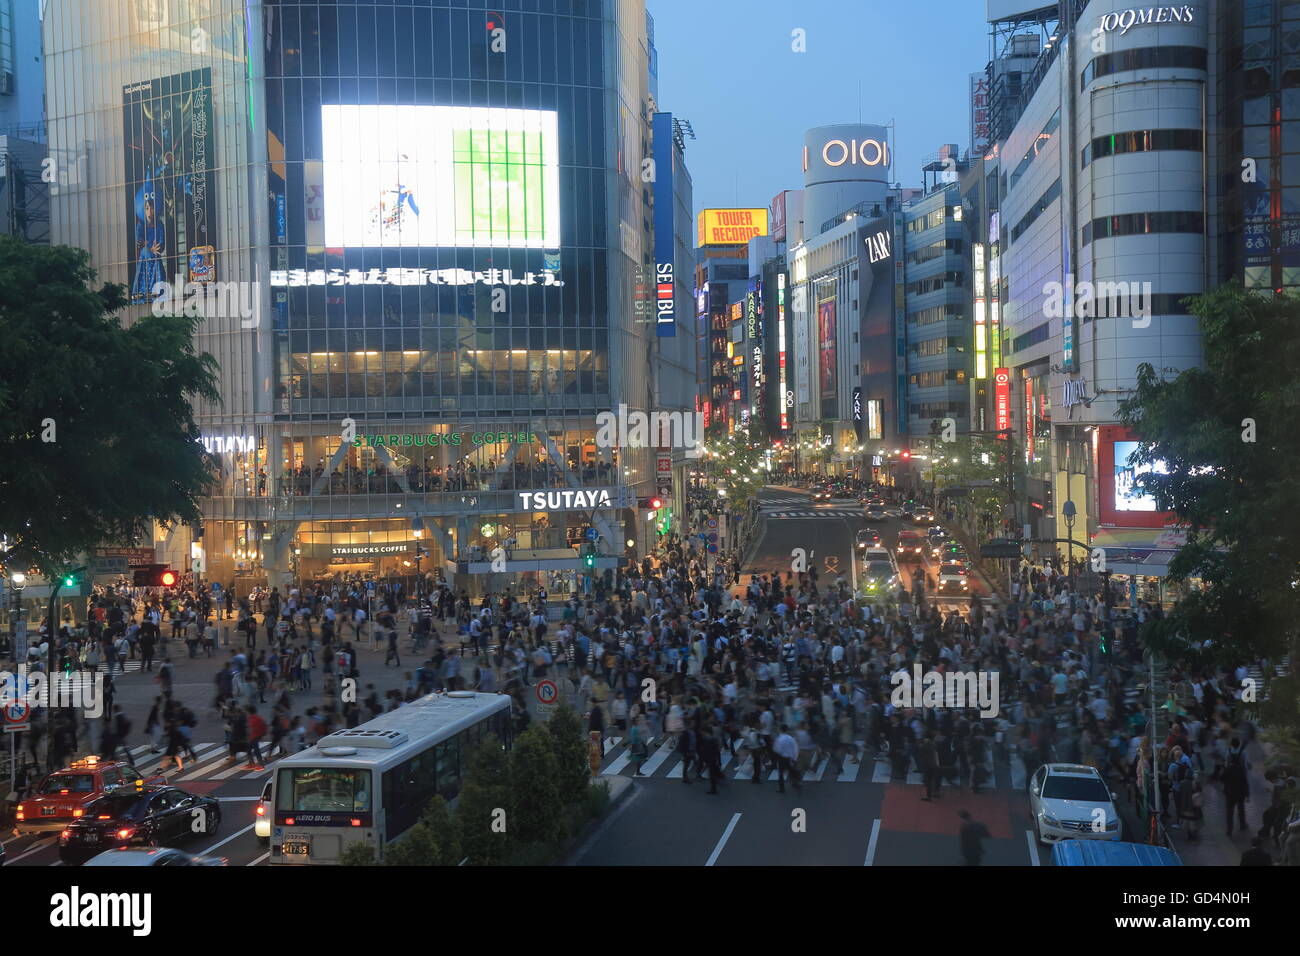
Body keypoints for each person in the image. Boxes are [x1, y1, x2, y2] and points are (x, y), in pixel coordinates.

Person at [1222, 738, 1250, 835]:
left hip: (1229, 787)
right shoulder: (1243, 753)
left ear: (1232, 744)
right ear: (1239, 744)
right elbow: (1245, 766)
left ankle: (1229, 829)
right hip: (1240, 786)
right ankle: (1242, 824)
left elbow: (1226, 764)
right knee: (1240, 807)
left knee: (1229, 810)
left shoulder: (1228, 752)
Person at [773, 725, 801, 793]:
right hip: (789, 758)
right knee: (790, 770)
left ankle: (781, 788)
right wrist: (795, 757)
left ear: (780, 730)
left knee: (781, 773)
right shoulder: (791, 738)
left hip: (781, 758)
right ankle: (796, 782)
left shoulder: (779, 739)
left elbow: (777, 749)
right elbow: (795, 749)